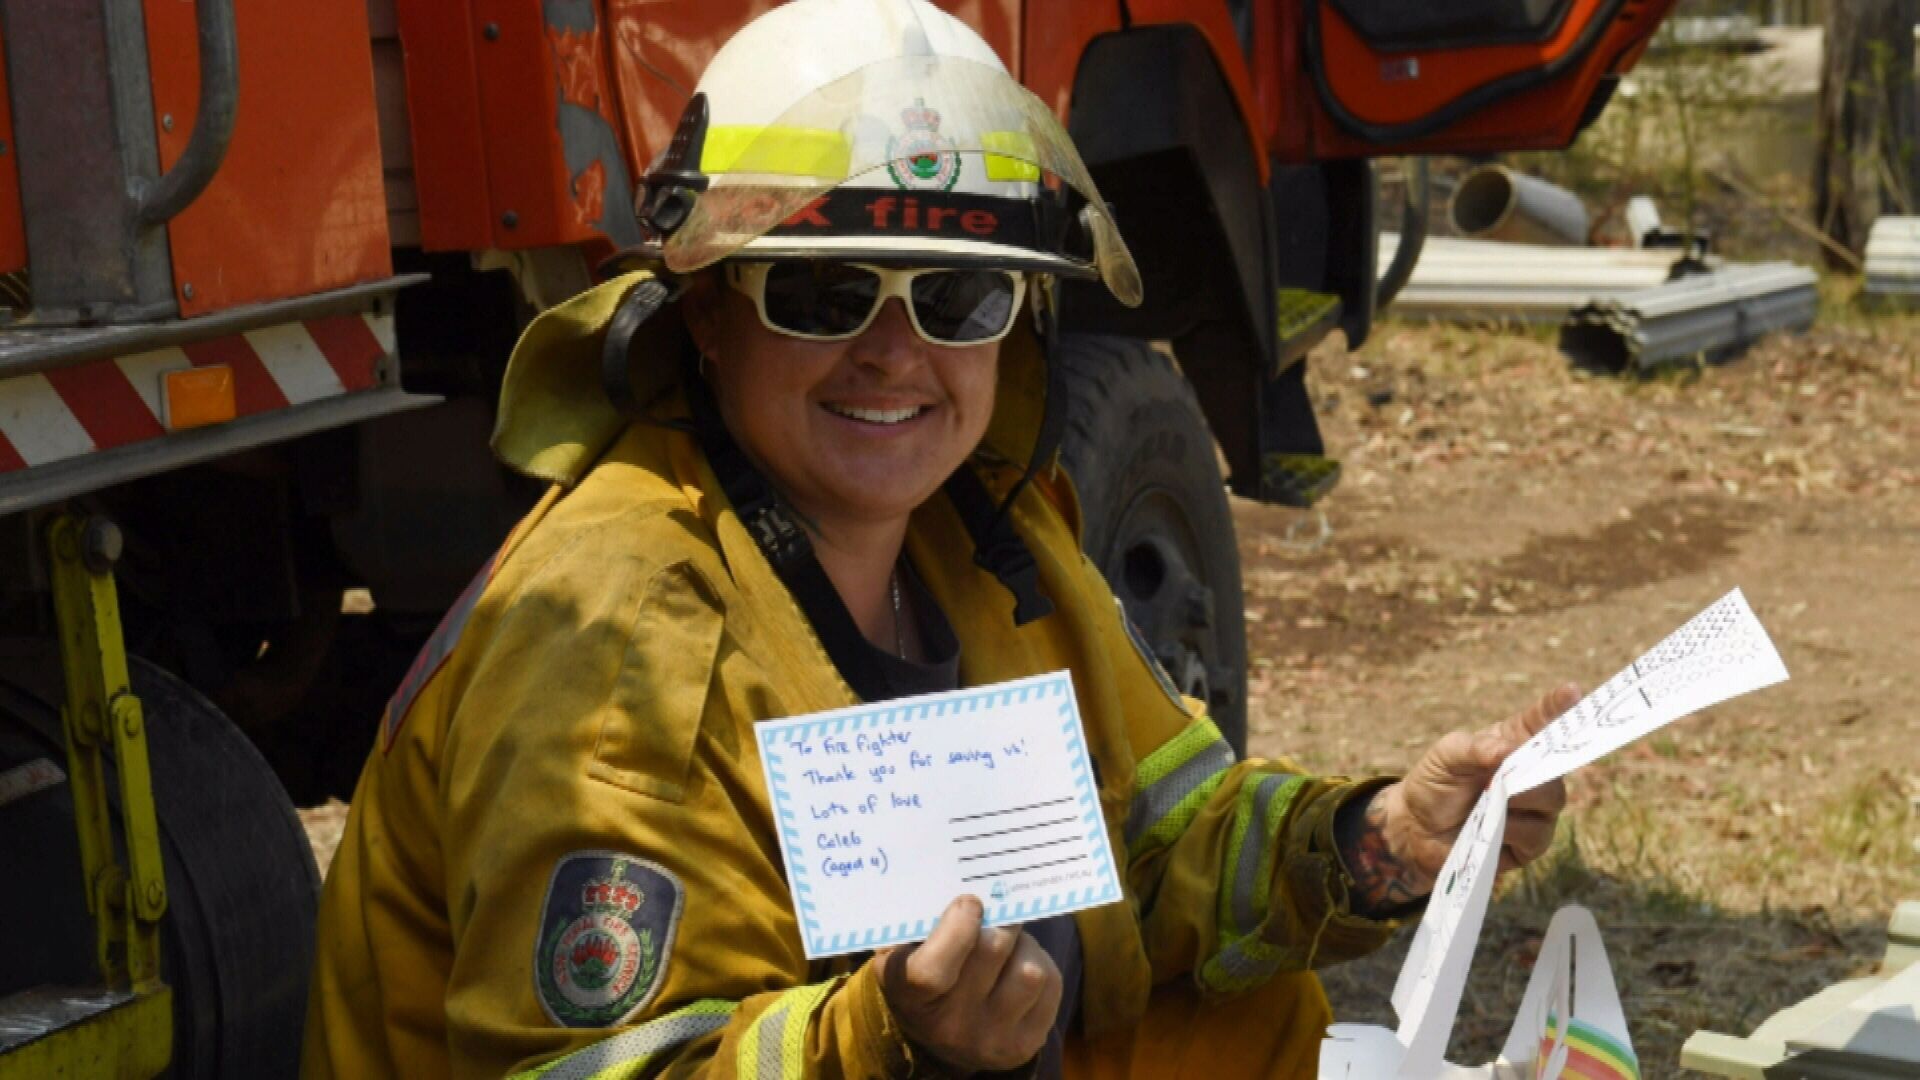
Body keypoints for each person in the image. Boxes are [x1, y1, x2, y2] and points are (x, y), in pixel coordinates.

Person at [302, 1, 1573, 1075]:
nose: (896, 354)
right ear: (707, 316)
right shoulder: (612, 639)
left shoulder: (986, 545)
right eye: (825, 292)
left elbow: (1161, 846)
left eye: (959, 297)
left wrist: (1378, 839)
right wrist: (887, 1041)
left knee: (1249, 1018)